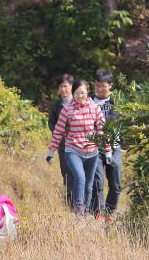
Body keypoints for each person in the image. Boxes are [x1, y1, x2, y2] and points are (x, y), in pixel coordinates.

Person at [46, 79, 111, 218]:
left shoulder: (95, 109)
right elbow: (58, 131)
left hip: (92, 152)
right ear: (73, 93)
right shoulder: (67, 110)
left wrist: (108, 151)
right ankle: (79, 210)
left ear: (87, 92)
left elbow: (102, 131)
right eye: (77, 93)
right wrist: (51, 151)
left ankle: (85, 213)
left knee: (89, 184)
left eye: (82, 92)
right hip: (73, 150)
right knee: (80, 177)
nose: (80, 96)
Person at [89, 69, 122, 223]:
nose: (99, 89)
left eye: (103, 86)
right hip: (95, 148)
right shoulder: (88, 101)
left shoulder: (118, 103)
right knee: (98, 182)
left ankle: (110, 212)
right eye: (97, 85)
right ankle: (98, 213)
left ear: (111, 86)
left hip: (114, 147)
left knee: (115, 184)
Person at [47, 74, 75, 209]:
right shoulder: (57, 105)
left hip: (79, 145)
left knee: (80, 174)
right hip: (63, 145)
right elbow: (51, 121)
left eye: (65, 86)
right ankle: (71, 204)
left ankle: (84, 203)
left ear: (71, 87)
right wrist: (58, 134)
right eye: (60, 87)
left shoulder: (79, 101)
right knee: (66, 173)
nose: (63, 89)